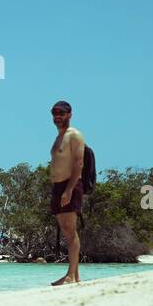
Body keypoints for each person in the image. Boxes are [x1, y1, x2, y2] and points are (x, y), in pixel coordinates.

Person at [48, 100, 86, 285]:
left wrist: (69, 190)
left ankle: (71, 275)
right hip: (57, 187)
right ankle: (74, 276)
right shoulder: (58, 138)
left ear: (70, 114)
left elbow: (79, 163)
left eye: (61, 113)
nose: (58, 117)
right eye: (55, 113)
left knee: (71, 231)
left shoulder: (74, 135)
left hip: (70, 186)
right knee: (66, 230)